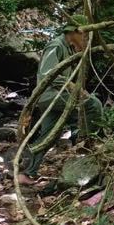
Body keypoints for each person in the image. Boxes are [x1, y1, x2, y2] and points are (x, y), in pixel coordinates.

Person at [22, 16, 103, 183]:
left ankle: (26, 173)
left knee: (49, 135)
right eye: (84, 35)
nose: (85, 38)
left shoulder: (69, 48)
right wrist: (73, 87)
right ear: (74, 32)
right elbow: (47, 74)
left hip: (55, 96)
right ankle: (87, 142)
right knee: (93, 104)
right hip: (51, 95)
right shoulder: (56, 45)